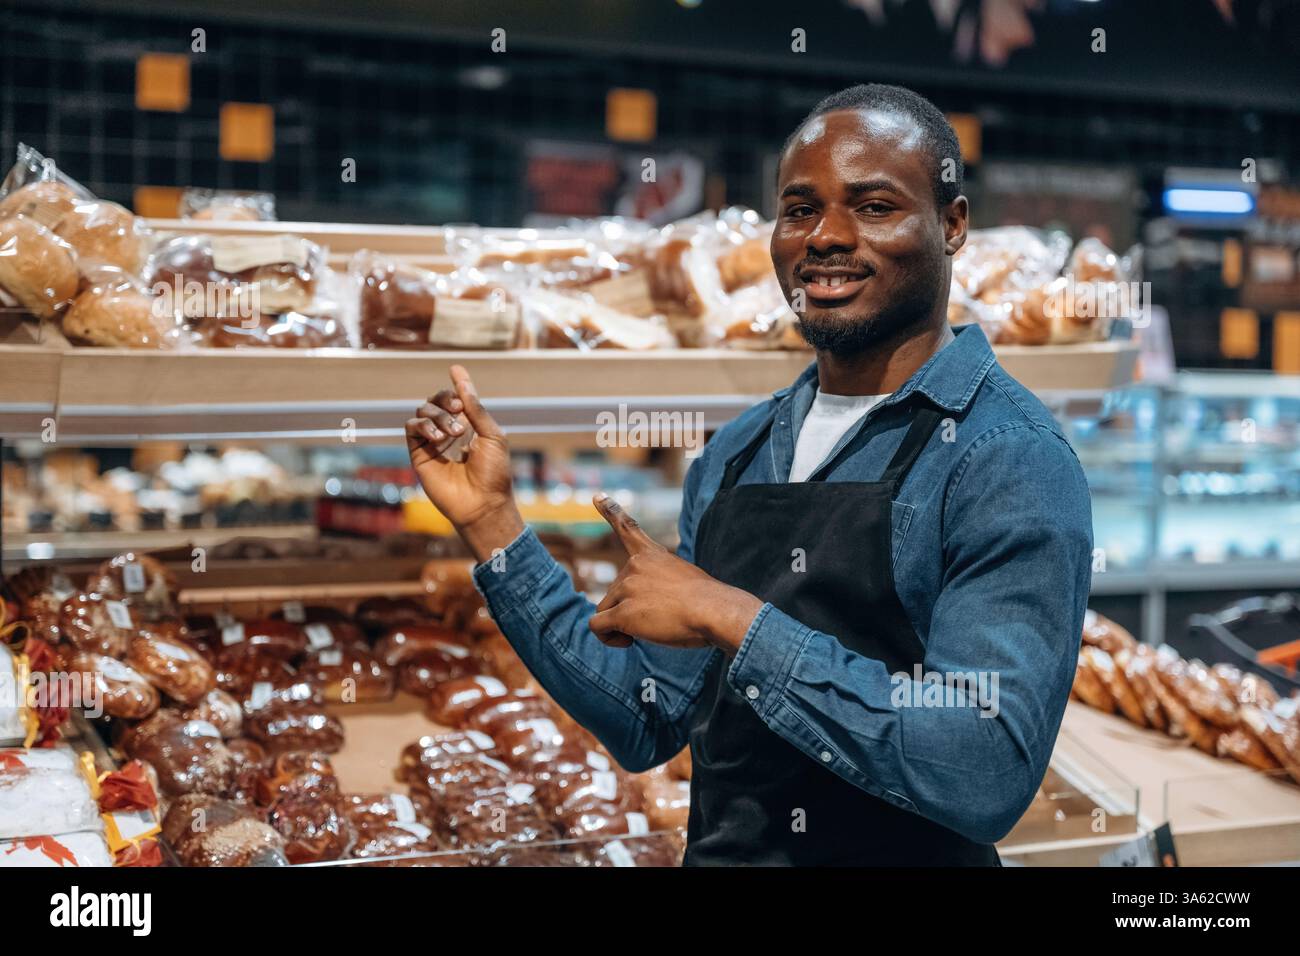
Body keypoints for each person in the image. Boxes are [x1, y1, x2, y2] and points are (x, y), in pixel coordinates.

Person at [405, 83, 1093, 866]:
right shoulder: (738, 451)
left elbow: (983, 767)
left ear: (953, 225)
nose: (826, 237)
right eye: (800, 210)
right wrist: (494, 524)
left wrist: (732, 617)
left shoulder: (1008, 456)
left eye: (872, 207)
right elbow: (646, 717)